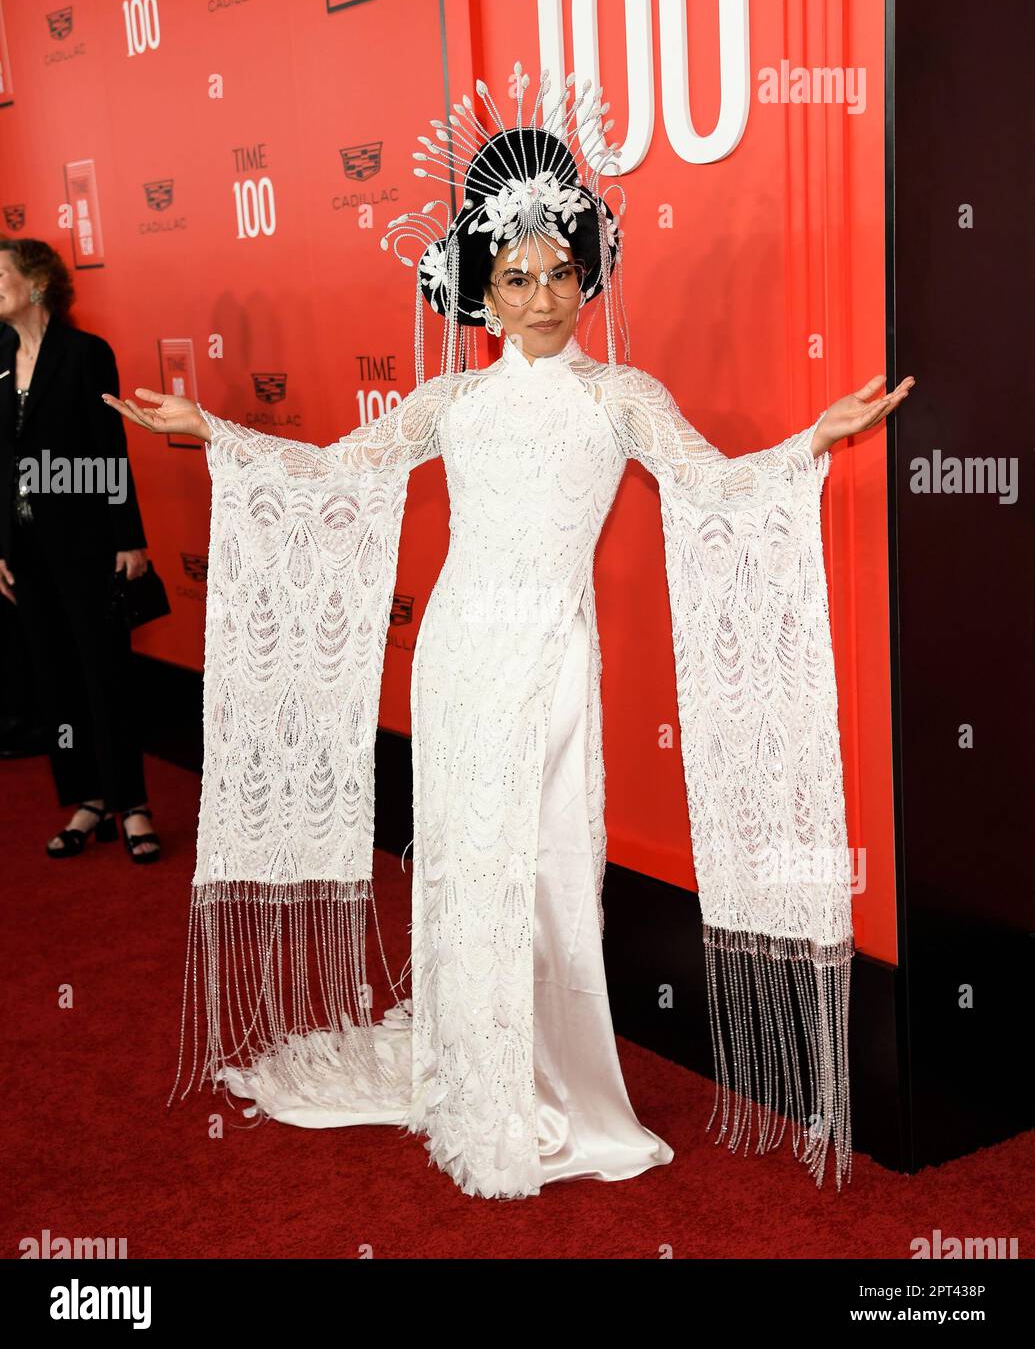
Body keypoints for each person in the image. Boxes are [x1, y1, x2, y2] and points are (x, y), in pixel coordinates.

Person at [104, 65, 913, 1199]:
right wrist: (212, 431)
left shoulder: (622, 396)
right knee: (462, 860)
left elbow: (715, 491)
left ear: (588, 275)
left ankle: (547, 1083)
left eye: (561, 273)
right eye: (518, 276)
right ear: (478, 290)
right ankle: (466, 1065)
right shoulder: (450, 404)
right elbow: (335, 476)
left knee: (544, 870)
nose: (543, 297)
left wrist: (810, 442)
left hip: (551, 661)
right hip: (457, 662)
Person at [0, 239, 162, 862]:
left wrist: (128, 538)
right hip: (27, 550)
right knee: (54, 678)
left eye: (4, 274)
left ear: (38, 282)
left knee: (105, 674)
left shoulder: (86, 355)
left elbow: (108, 449)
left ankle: (134, 803)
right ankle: (87, 796)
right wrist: (2, 547)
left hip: (87, 545)